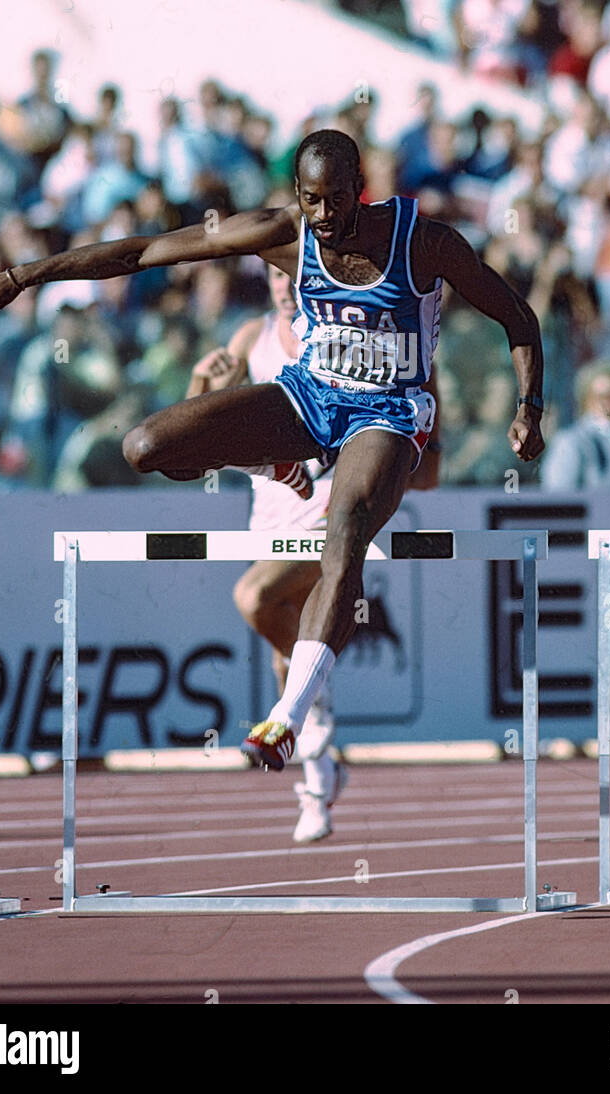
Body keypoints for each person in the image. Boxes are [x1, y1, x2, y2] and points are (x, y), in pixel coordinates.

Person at [0, 128, 544, 772]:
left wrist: (529, 406)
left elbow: (517, 316)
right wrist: (24, 275)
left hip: (388, 412)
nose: (323, 217)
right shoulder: (286, 233)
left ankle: (287, 717)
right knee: (146, 446)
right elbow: (147, 252)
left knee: (345, 528)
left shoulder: (424, 241)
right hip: (308, 397)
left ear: (361, 191)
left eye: (335, 201)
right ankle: (275, 463)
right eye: (311, 201)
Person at [187, 262, 440, 840]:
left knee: (254, 597)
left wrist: (359, 482)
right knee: (289, 662)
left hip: (332, 516)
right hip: (272, 516)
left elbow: (425, 468)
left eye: (291, 274)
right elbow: (205, 443)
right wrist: (201, 386)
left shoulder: (349, 336)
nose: (283, 284)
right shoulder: (249, 338)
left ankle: (313, 715)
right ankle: (318, 790)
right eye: (273, 276)